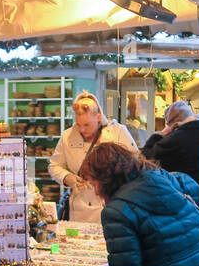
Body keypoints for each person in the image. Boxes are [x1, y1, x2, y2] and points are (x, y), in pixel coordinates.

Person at [48, 90, 137, 223]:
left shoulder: (118, 132)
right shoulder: (67, 136)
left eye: (87, 125)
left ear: (98, 116)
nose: (82, 130)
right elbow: (54, 166)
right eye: (78, 125)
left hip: (114, 206)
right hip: (80, 211)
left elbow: (135, 164)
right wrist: (67, 178)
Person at [141, 100, 199, 203]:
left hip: (184, 208)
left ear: (171, 125)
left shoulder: (172, 141)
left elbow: (145, 159)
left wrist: (160, 134)